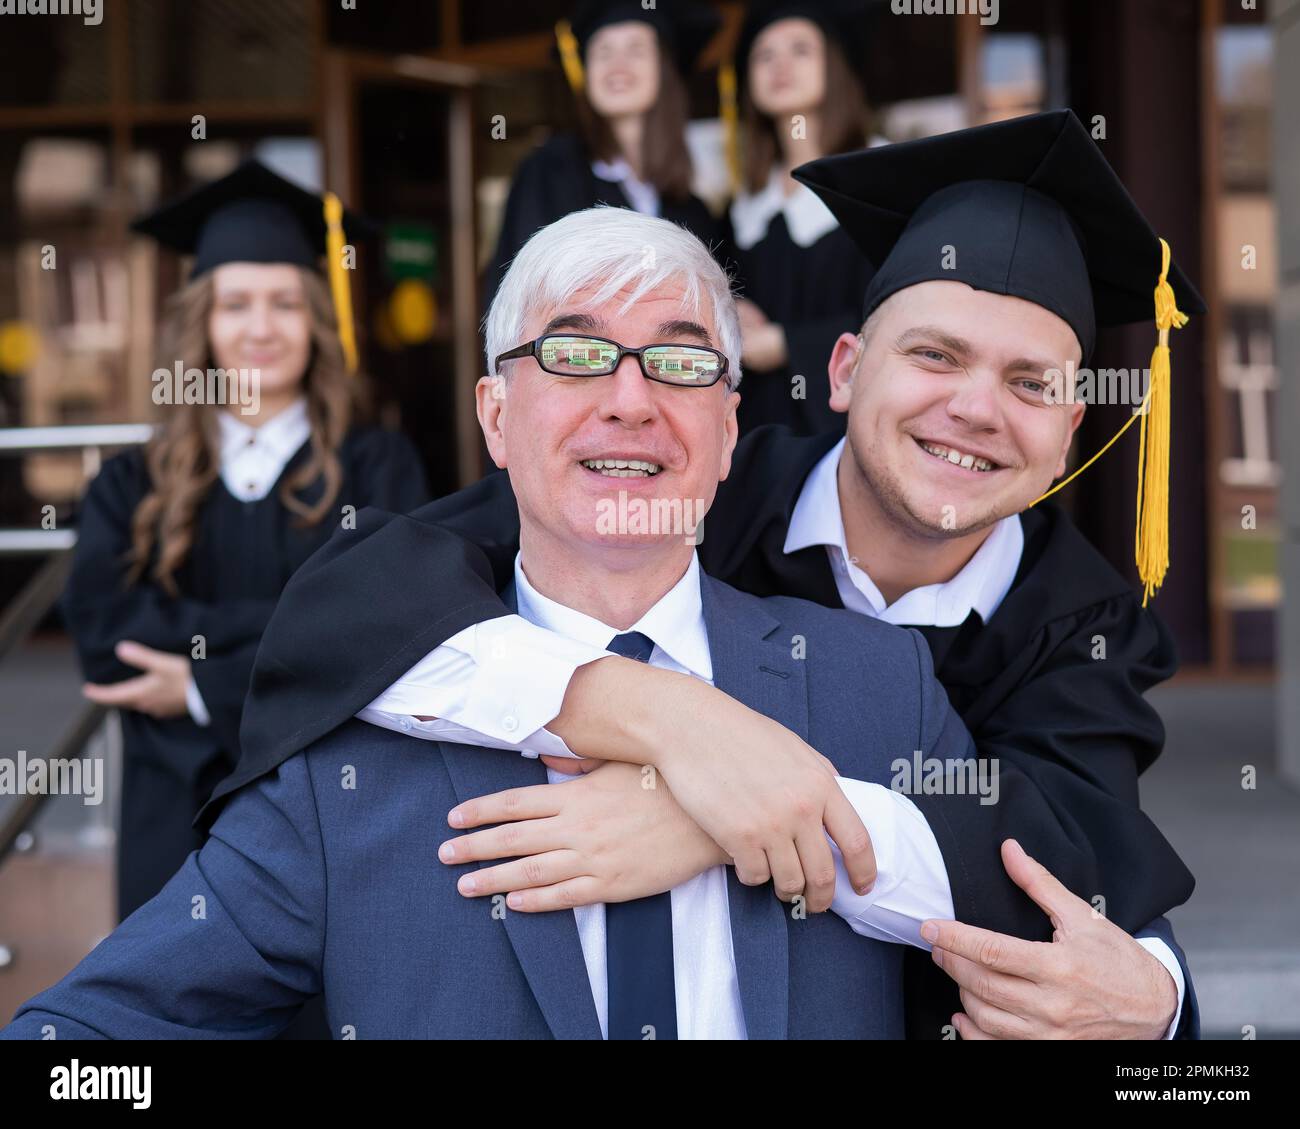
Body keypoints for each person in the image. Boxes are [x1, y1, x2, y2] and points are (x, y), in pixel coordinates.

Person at [216, 111, 1205, 1039]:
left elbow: (1078, 862)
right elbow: (365, 608)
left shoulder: (1084, 622)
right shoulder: (684, 485)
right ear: (847, 368)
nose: (978, 410)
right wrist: (655, 715)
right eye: (935, 355)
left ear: (1073, 423)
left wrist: (1160, 996)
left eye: (1031, 382)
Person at [7, 208, 1043, 1040]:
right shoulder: (348, 756)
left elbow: (1041, 954)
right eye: (577, 354)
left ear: (729, 430)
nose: (631, 400)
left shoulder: (878, 687)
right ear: (495, 418)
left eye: (679, 362)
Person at [63, 159, 429, 923]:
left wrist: (202, 685)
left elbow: (389, 631)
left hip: (331, 812)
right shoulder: (132, 484)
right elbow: (105, 635)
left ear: (317, 323)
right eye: (235, 304)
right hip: (174, 820)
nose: (260, 327)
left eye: (285, 303)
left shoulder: (378, 468)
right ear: (201, 322)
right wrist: (292, 635)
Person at [483, 0, 725, 308]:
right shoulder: (550, 173)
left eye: (635, 50)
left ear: (663, 69)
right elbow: (521, 297)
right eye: (603, 52)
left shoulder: (692, 212)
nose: (617, 66)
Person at [725, 0, 879, 437]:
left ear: (834, 65)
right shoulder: (747, 207)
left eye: (800, 49)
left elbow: (898, 315)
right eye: (764, 55)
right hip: (758, 435)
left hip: (847, 430)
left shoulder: (878, 184)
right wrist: (731, 308)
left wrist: (787, 345)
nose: (780, 65)